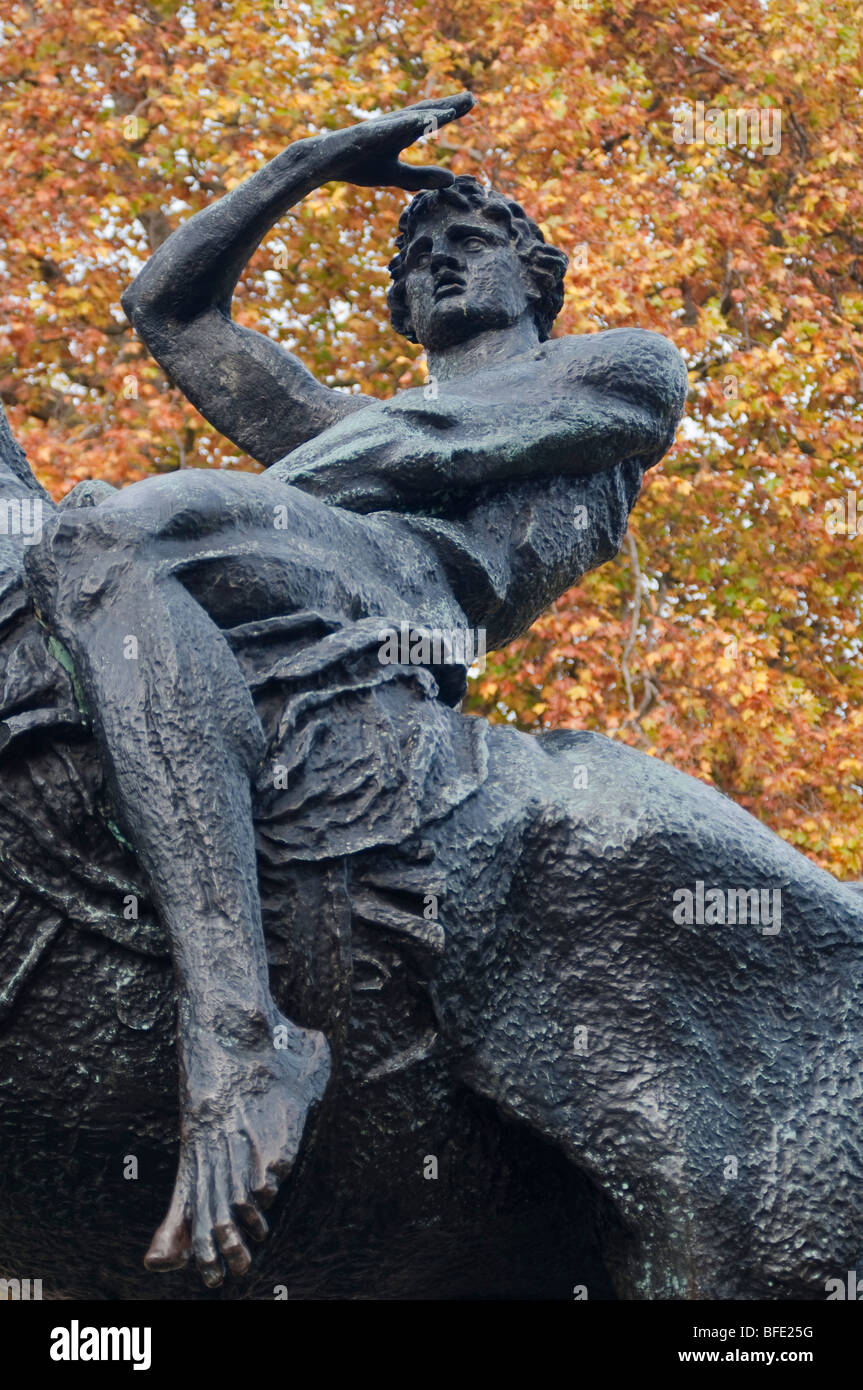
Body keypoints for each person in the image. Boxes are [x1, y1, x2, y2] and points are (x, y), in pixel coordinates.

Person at [13, 93, 687, 1285]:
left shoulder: (616, 370)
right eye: (414, 257)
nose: (433, 262)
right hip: (307, 552)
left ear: (536, 274)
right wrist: (302, 163)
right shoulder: (339, 430)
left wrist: (230, 492)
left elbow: (428, 448)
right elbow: (164, 308)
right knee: (101, 544)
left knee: (117, 532)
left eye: (463, 243)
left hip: (409, 597)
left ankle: (239, 1034)